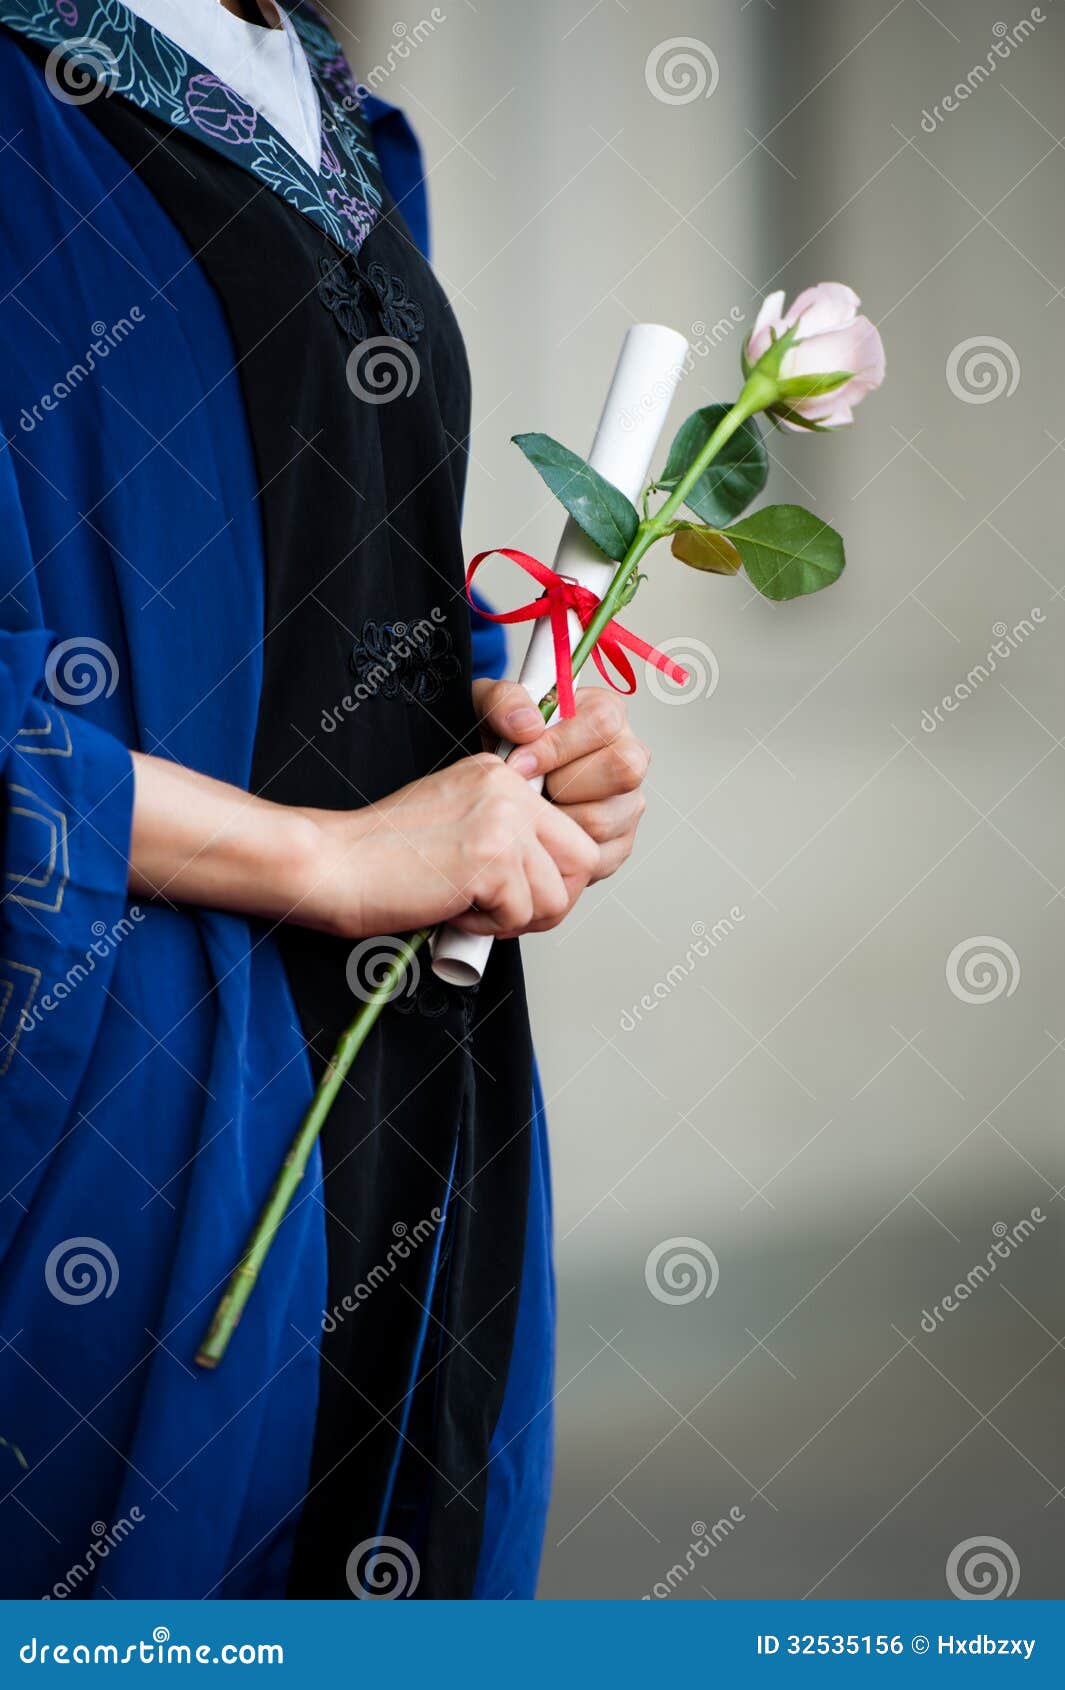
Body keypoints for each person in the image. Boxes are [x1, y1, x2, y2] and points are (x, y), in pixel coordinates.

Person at [0, 0, 649, 1598]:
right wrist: (333, 855)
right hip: (126, 1077)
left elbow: (313, 568)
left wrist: (517, 728)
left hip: (408, 1064)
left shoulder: (339, 128)